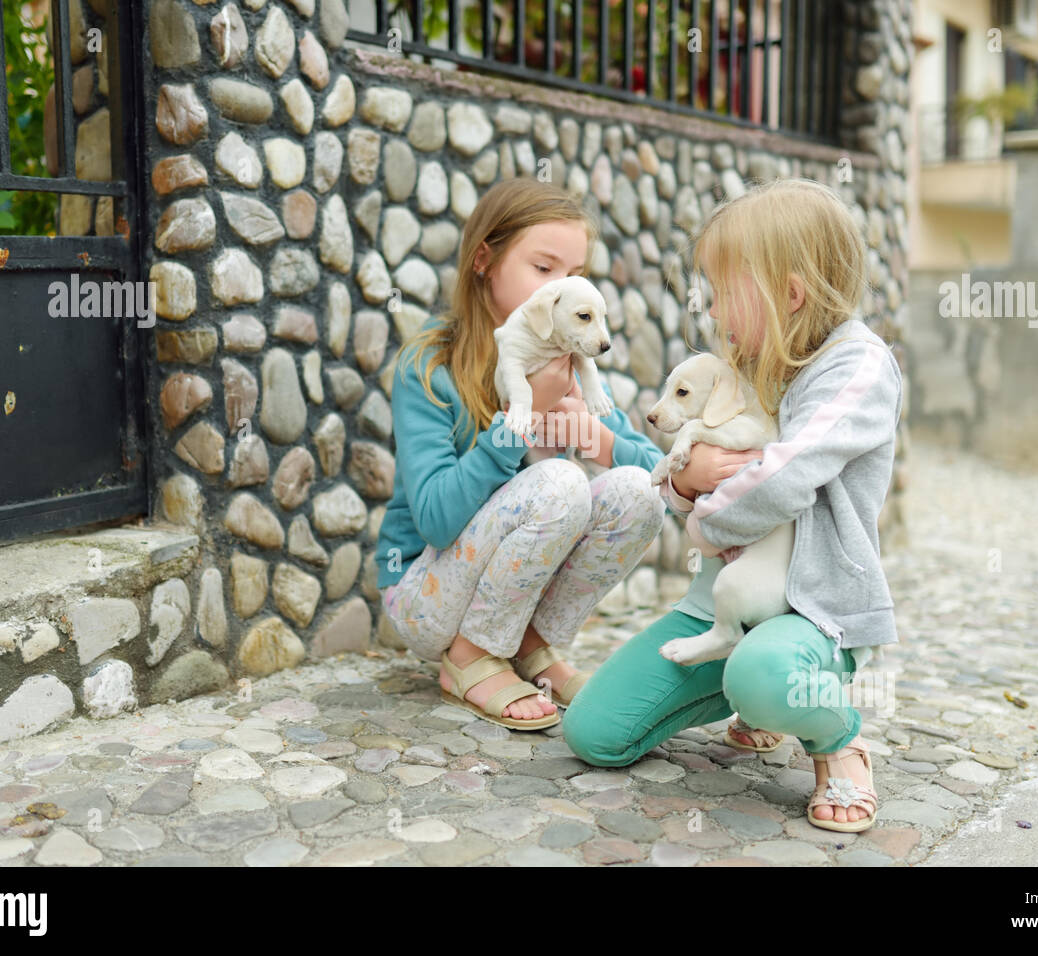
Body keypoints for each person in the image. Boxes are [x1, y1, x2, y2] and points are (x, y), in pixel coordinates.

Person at [562, 178, 904, 832]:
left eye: (721, 294)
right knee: (597, 732)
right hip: (719, 605)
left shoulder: (858, 366)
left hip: (814, 612)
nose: (711, 311)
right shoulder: (743, 362)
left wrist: (704, 517)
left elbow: (785, 474)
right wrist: (688, 483)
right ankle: (748, 686)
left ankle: (838, 738)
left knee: (767, 670)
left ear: (790, 294)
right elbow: (686, 456)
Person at [376, 176, 667, 731]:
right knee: (558, 481)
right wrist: (525, 417)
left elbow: (656, 475)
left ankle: (530, 647)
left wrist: (597, 438)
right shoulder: (431, 366)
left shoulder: (572, 354)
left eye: (574, 275)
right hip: (423, 593)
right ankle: (466, 657)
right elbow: (436, 521)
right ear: (484, 259)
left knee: (635, 492)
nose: (559, 288)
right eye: (543, 268)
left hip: (508, 599)